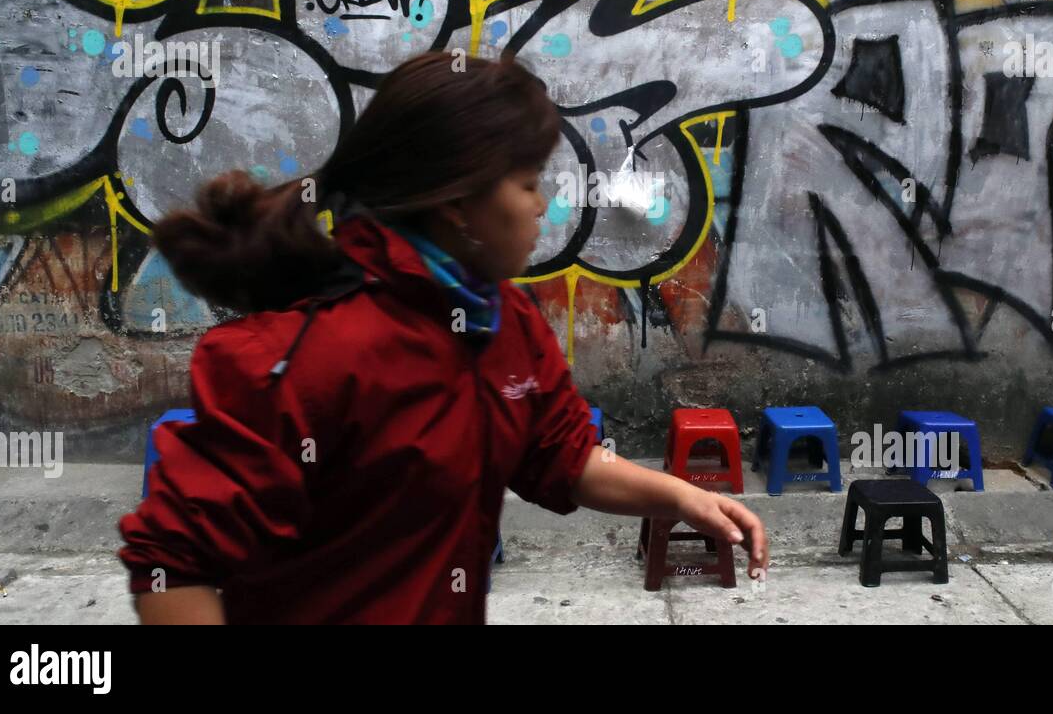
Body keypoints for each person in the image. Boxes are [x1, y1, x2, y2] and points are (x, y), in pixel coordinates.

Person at [117, 50, 768, 623]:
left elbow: (564, 454)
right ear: (458, 204)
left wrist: (680, 496)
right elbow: (175, 562)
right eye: (527, 183)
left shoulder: (503, 323)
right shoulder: (308, 353)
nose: (543, 204)